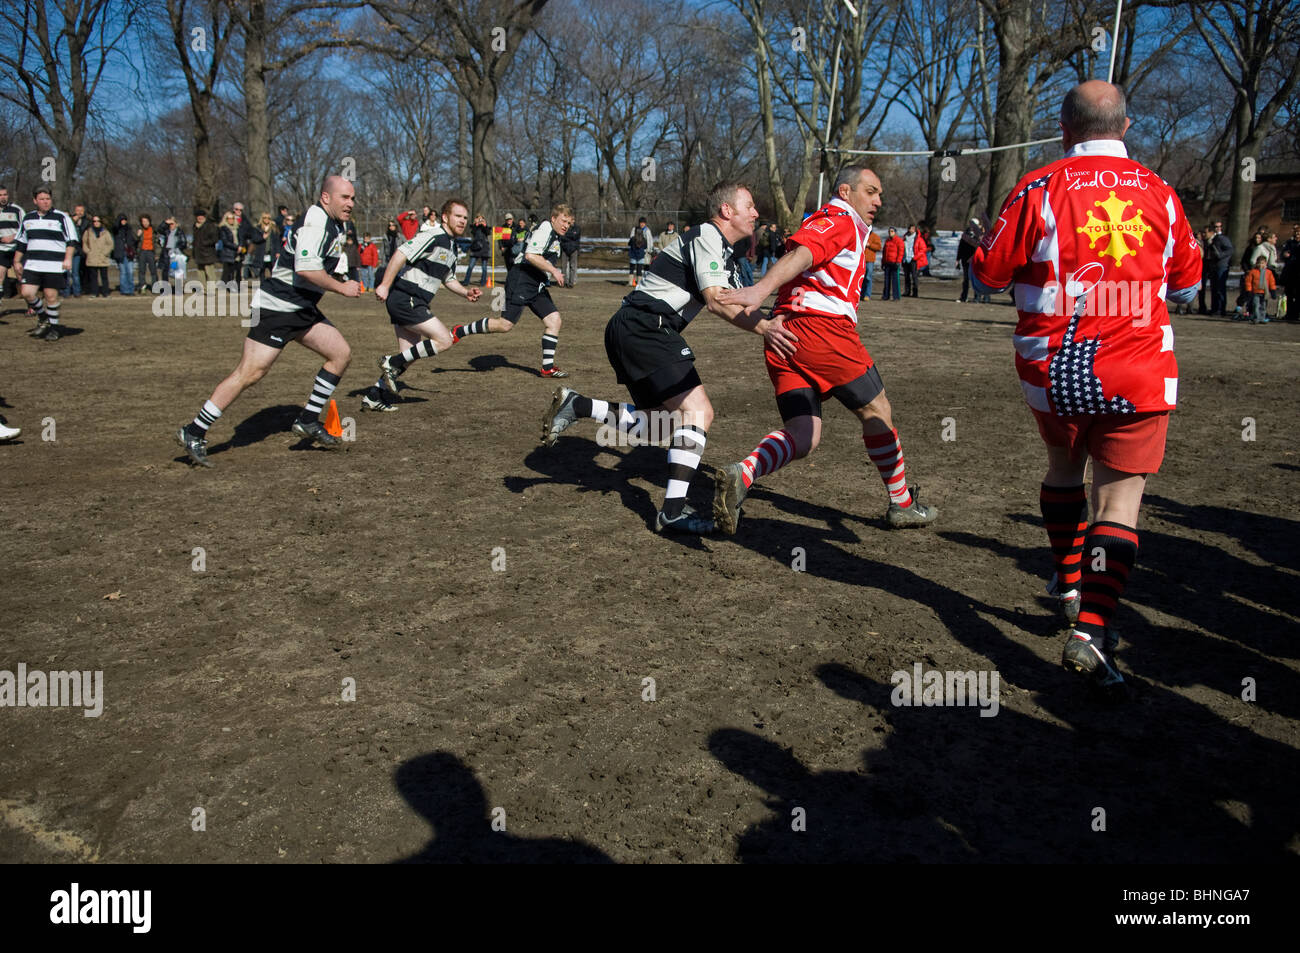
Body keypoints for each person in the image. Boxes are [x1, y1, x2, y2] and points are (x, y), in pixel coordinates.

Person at [971, 80, 1201, 691]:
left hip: (1056, 364)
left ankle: (1069, 581)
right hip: (1138, 367)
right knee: (1120, 504)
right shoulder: (1160, 192)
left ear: (1064, 129)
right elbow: (1187, 282)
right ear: (1125, 128)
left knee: (1063, 471)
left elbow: (987, 275)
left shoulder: (1037, 188)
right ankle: (1092, 631)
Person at [541, 181, 796, 534]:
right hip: (646, 327)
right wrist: (767, 328)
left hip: (633, 327)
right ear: (727, 211)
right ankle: (673, 512)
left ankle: (579, 406)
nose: (756, 213)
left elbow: (739, 298)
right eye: (749, 205)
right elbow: (716, 300)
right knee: (699, 412)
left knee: (662, 424)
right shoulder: (708, 234)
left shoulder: (723, 251)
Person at [711, 166, 939, 536]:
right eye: (871, 191)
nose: (878, 201)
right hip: (820, 329)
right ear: (846, 192)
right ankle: (902, 504)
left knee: (804, 434)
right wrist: (760, 289)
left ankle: (744, 472)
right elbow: (804, 253)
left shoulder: (837, 221)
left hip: (782, 335)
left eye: (880, 194)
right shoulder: (839, 217)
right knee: (877, 409)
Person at [175, 176, 362, 466]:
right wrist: (342, 287)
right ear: (326, 198)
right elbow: (305, 269)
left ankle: (308, 420)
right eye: (344, 198)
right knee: (250, 373)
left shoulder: (335, 224)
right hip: (277, 307)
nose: (350, 203)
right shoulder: (316, 222)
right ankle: (194, 430)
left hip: (301, 307)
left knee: (340, 355)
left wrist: (341, 277)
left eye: (352, 198)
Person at [365, 200, 484, 412]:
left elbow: (448, 279)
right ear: (445, 217)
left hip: (414, 301)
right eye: (458, 216)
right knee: (444, 340)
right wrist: (384, 284)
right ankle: (390, 362)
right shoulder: (432, 235)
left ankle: (375, 395)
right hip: (405, 297)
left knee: (409, 356)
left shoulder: (452, 247)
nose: (463, 221)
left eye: (465, 218)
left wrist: (466, 292)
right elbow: (400, 253)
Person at [451, 203, 576, 378]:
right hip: (521, 279)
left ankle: (547, 368)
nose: (566, 226)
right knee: (504, 325)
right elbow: (530, 255)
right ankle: (460, 331)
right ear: (554, 218)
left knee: (554, 320)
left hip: (536, 283)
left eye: (569, 224)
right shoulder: (546, 228)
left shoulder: (555, 235)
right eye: (563, 221)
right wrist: (554, 270)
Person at [12, 186, 78, 341]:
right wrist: (16, 261)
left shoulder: (61, 217)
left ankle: (54, 328)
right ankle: (43, 317)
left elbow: (71, 241)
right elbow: (22, 242)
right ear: (35, 201)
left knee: (50, 296)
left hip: (54, 265)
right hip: (33, 264)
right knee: (27, 293)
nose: (45, 202)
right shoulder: (28, 218)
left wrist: (68, 258)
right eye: (41, 199)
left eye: (48, 199)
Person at [0, 188, 23, 300]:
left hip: (16, 248)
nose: (3, 197)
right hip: (1, 249)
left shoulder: (17, 210)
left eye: (5, 195)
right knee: (0, 277)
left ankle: (31, 307)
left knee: (20, 275)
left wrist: (13, 237)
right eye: (0, 195)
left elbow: (26, 227)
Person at [83, 214, 113, 296]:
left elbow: (110, 244)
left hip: (102, 258)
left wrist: (105, 252)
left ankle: (106, 292)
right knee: (93, 277)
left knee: (104, 276)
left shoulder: (105, 232)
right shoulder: (88, 232)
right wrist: (88, 251)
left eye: (98, 221)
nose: (96, 223)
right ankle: (94, 292)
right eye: (94, 221)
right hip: (92, 258)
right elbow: (84, 243)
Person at [1209, 220, 1233, 316]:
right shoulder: (1214, 238)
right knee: (1214, 288)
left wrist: (1220, 255)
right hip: (1214, 266)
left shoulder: (1223, 238)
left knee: (1220, 288)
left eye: (1219, 226)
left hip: (1221, 266)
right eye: (1216, 226)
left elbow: (1230, 249)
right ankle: (1215, 308)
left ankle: (1221, 309)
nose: (1217, 228)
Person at [957, 217, 983, 302]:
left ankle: (977, 297)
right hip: (965, 259)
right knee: (966, 279)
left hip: (976, 259)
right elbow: (961, 247)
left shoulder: (980, 235)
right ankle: (964, 296)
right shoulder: (965, 235)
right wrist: (958, 259)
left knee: (976, 279)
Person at [1244, 255, 1276, 324]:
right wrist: (1248, 290)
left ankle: (1262, 318)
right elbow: (1248, 281)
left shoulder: (1268, 272)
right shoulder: (1253, 271)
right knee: (1256, 305)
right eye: (1259, 263)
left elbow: (1271, 282)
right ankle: (1256, 318)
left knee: (1263, 306)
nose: (1260, 265)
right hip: (1255, 292)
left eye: (1262, 263)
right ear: (1256, 263)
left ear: (1265, 264)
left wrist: (1273, 290)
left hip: (1264, 292)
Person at [192, 209, 219, 285]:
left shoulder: (210, 225)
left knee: (210, 273)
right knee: (200, 273)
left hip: (208, 253)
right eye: (198, 216)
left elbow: (215, 239)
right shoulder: (195, 226)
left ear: (204, 217)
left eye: (201, 216)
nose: (200, 218)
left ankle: (212, 289)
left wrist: (204, 243)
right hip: (198, 253)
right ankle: (203, 289)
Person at [112, 213, 136, 295]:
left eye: (125, 220)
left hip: (129, 253)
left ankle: (131, 289)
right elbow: (114, 228)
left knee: (130, 271)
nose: (123, 221)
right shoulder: (116, 230)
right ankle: (124, 290)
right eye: (122, 220)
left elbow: (133, 240)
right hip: (120, 253)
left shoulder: (129, 229)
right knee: (123, 272)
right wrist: (118, 223)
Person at [1280, 224, 1300, 321]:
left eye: (1299, 233)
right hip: (1290, 272)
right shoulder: (1289, 243)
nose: (1297, 235)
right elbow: (1282, 255)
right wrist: (1284, 255)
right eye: (1296, 233)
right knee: (1289, 294)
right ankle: (1290, 314)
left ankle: (1296, 314)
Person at [464, 214, 491, 286]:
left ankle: (483, 282)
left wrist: (484, 225)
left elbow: (488, 232)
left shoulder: (486, 227)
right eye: (478, 219)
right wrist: (476, 224)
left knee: (484, 267)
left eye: (481, 219)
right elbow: (473, 232)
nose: (480, 220)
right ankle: (466, 281)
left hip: (484, 249)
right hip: (475, 248)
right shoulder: (474, 227)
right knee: (471, 266)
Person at [136, 214, 160, 292]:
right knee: (141, 271)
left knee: (153, 270)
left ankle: (155, 287)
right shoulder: (139, 230)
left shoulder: (153, 230)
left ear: (149, 222)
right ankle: (142, 287)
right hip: (142, 252)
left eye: (146, 221)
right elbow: (134, 242)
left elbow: (157, 243)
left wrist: (157, 254)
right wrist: (137, 236)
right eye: (143, 221)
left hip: (151, 252)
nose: (145, 223)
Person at [68, 204, 87, 297]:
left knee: (76, 272)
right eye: (77, 210)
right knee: (67, 273)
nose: (79, 212)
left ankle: (77, 291)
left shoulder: (86, 222)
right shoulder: (69, 220)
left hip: (79, 250)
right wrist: (72, 221)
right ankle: (66, 291)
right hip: (69, 249)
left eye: (81, 210)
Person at [627, 217, 652, 285]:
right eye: (641, 222)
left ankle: (641, 281)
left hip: (644, 252)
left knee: (643, 267)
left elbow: (650, 241)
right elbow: (631, 238)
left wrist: (649, 250)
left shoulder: (647, 230)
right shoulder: (634, 229)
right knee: (636, 267)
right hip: (638, 252)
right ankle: (634, 282)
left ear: (645, 223)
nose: (642, 224)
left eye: (643, 223)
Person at [881, 227, 903, 301]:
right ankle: (885, 296)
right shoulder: (887, 241)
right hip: (887, 262)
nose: (890, 233)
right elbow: (884, 252)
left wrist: (898, 261)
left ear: (895, 232)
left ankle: (896, 296)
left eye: (892, 231)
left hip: (894, 262)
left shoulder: (899, 241)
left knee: (895, 280)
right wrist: (883, 262)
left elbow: (901, 252)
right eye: (889, 231)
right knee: (886, 280)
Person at [218, 211, 240, 284]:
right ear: (226, 219)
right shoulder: (223, 228)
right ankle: (227, 286)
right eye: (229, 218)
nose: (231, 220)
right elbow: (225, 241)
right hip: (228, 252)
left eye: (232, 218)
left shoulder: (237, 227)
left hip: (237, 252)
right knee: (228, 271)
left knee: (236, 270)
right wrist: (236, 247)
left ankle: (234, 285)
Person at [861, 224, 881, 299]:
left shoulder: (875, 236)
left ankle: (867, 294)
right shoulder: (862, 234)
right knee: (861, 278)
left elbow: (879, 247)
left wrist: (870, 245)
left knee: (868, 277)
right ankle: (861, 294)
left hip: (870, 260)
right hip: (862, 259)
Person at [559, 219, 581, 287]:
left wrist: (567, 235)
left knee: (573, 266)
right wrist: (569, 236)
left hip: (573, 249)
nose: (570, 222)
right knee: (563, 267)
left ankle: (571, 282)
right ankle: (563, 282)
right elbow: (562, 236)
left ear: (574, 220)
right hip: (564, 249)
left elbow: (575, 236)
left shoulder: (577, 228)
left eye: (572, 220)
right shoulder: (564, 227)